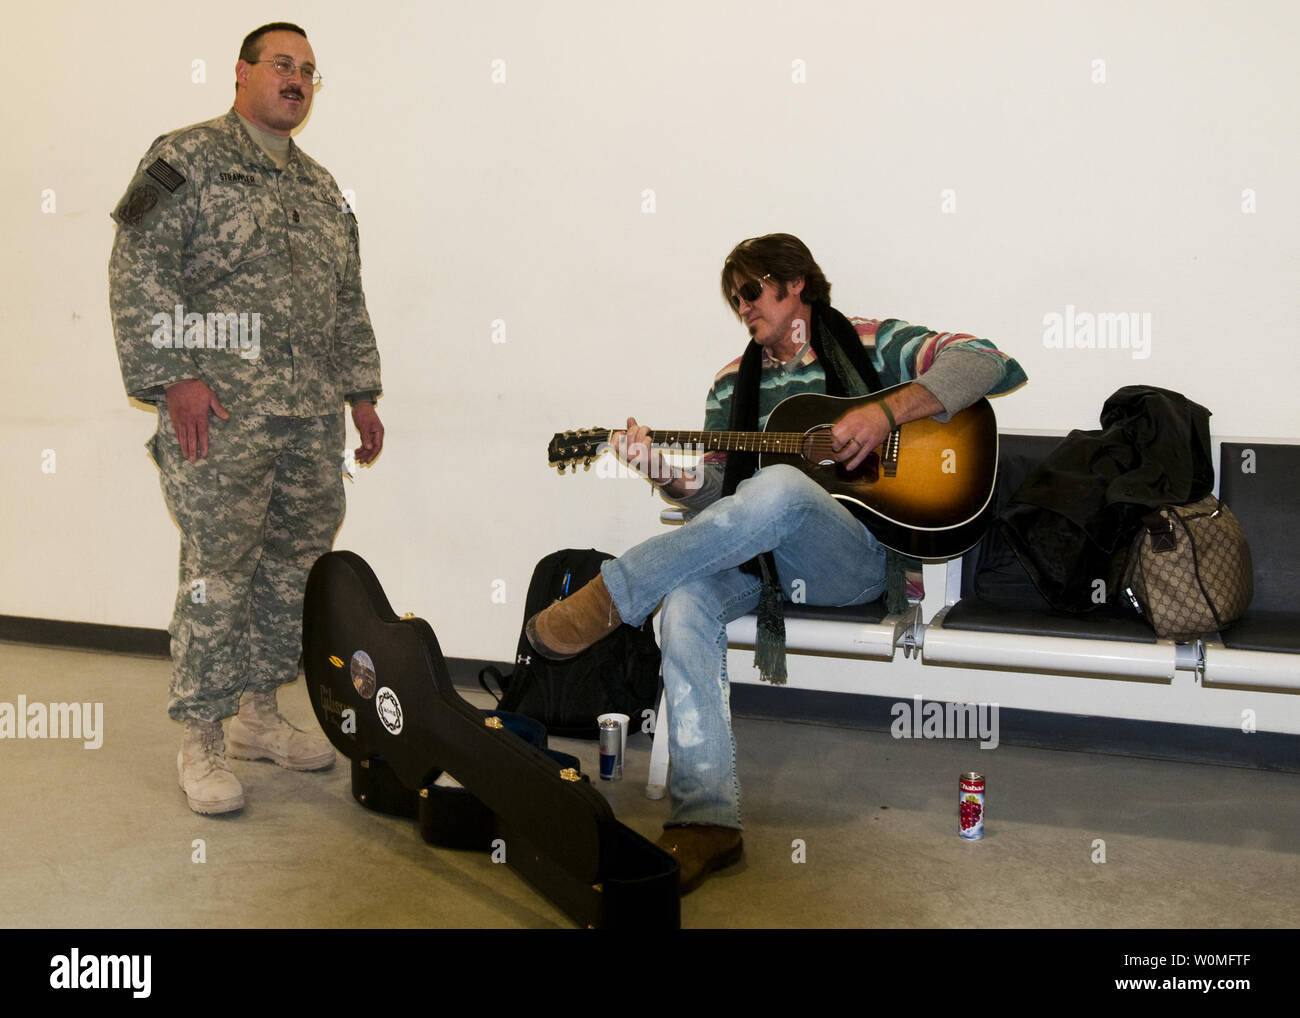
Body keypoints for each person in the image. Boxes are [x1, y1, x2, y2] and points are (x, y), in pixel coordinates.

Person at [527, 233, 1026, 892]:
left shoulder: (877, 342)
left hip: (852, 562)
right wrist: (664, 475)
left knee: (787, 487)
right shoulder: (734, 383)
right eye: (733, 298)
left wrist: (884, 413)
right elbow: (716, 502)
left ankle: (615, 592)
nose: (742, 307)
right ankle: (706, 821)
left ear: (795, 284)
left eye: (751, 291)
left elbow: (991, 362)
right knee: (686, 601)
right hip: (760, 569)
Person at [108, 22, 384, 815]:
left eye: (308, 72)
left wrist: (360, 392)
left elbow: (345, 298)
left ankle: (259, 713)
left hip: (306, 419)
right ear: (241, 73)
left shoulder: (321, 187)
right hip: (220, 413)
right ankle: (201, 735)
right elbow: (139, 270)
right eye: (281, 65)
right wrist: (174, 377)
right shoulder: (184, 159)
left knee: (292, 571)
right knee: (216, 573)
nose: (295, 80)